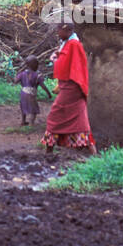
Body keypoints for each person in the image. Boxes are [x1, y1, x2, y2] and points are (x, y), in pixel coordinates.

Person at [43, 27, 96, 155]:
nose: (57, 33)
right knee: (81, 121)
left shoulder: (74, 44)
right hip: (71, 87)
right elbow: (66, 60)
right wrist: (57, 56)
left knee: (55, 116)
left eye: (59, 30)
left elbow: (66, 66)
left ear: (66, 30)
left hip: (72, 87)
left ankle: (49, 151)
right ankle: (93, 153)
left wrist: (55, 60)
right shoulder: (67, 44)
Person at [15, 55, 50, 126]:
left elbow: (15, 81)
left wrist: (18, 73)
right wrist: (48, 93)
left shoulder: (22, 74)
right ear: (34, 65)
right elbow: (43, 86)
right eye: (37, 64)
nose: (37, 66)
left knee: (23, 107)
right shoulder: (37, 75)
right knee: (34, 110)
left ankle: (23, 121)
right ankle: (31, 123)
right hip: (31, 94)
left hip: (23, 92)